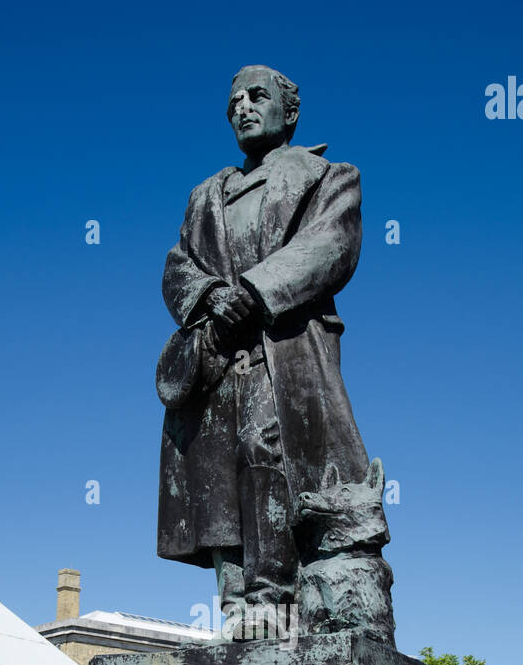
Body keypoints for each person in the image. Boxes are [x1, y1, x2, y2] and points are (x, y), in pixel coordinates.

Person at [156, 65, 372, 620]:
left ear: (289, 112)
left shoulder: (328, 175)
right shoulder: (207, 194)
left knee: (266, 451)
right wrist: (208, 297)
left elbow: (331, 245)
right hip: (216, 354)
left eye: (258, 97)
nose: (243, 108)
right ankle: (234, 606)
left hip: (284, 349)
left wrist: (253, 293)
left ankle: (274, 601)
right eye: (234, 102)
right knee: (213, 471)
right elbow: (178, 264)